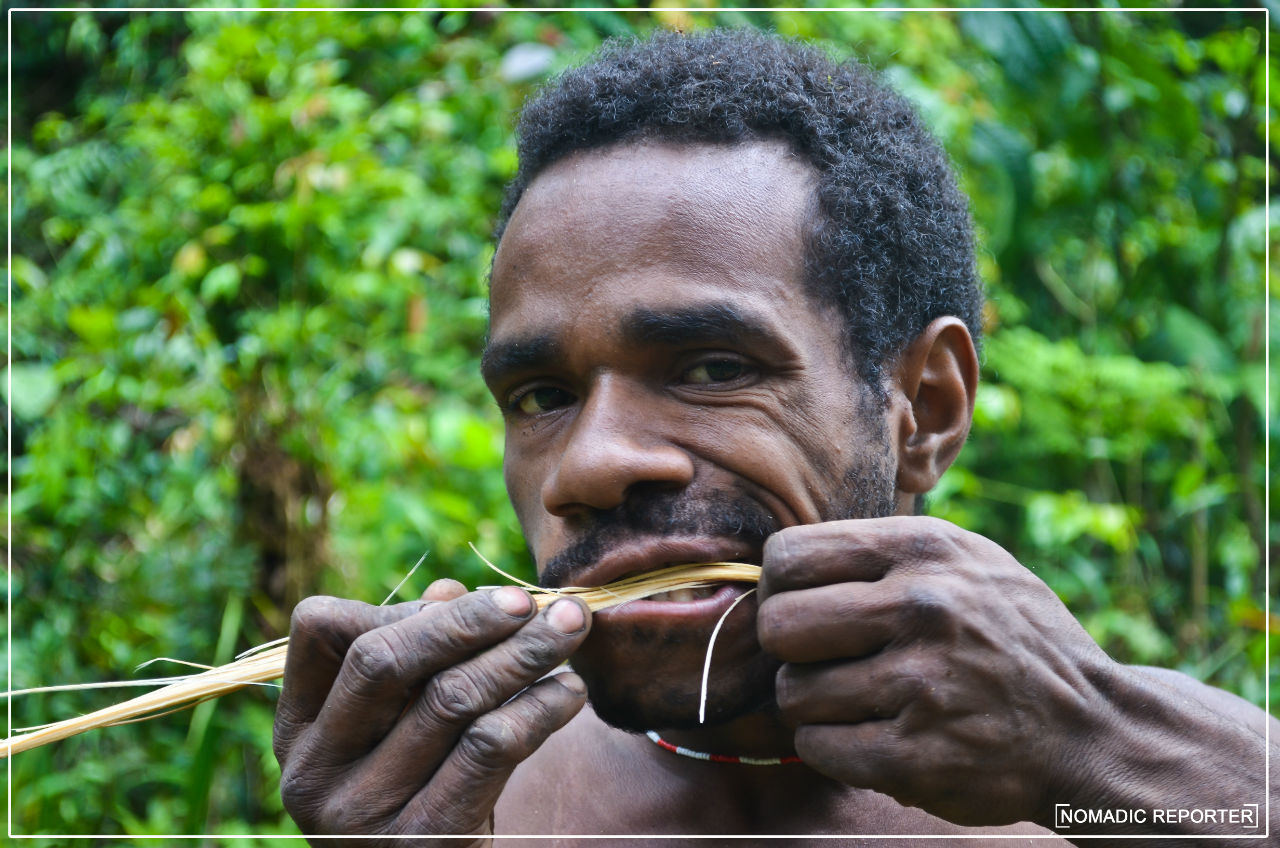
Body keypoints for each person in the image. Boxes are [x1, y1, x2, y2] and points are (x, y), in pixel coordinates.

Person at [271, 29, 1275, 844]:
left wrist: (1101, 736)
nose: (586, 467)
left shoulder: (1102, 801)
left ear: (922, 408)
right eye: (540, 394)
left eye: (712, 369)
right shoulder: (453, 812)